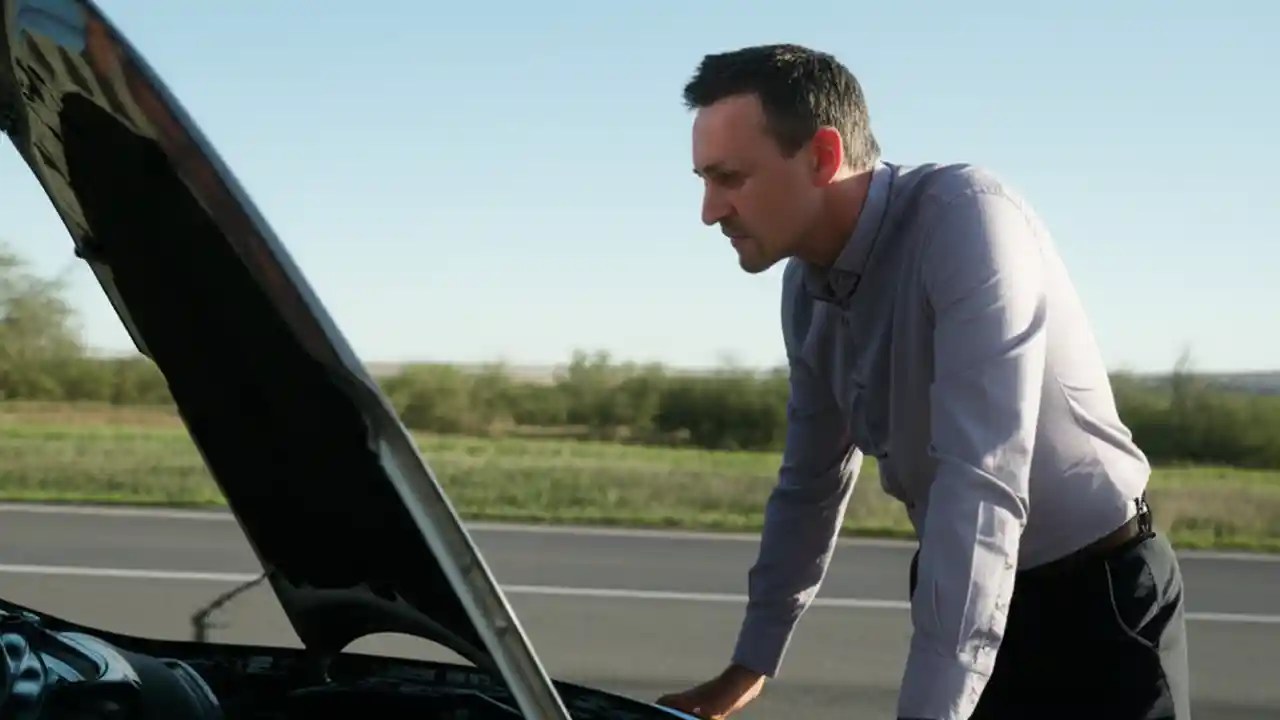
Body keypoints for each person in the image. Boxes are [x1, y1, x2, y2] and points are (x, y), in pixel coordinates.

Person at [655, 44, 1191, 720]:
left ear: (822, 156)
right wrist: (749, 664)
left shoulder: (967, 219)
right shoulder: (803, 290)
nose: (709, 210)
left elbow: (982, 481)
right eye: (704, 179)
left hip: (1098, 607)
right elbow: (809, 486)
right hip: (964, 591)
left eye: (729, 177)